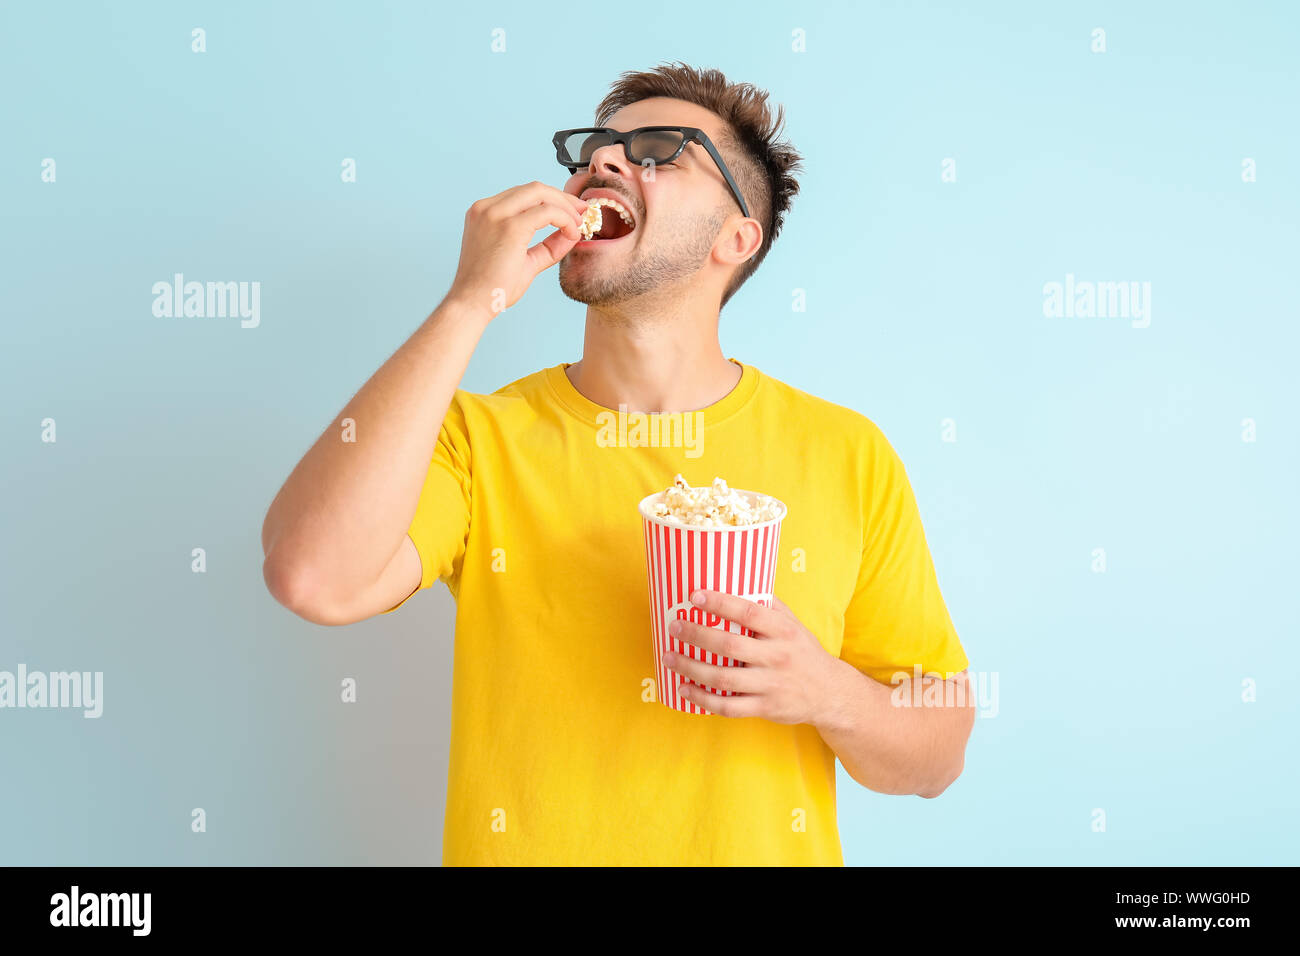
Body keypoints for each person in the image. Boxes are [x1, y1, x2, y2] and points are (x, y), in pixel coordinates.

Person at [261, 62, 973, 865]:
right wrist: (470, 302)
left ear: (736, 238)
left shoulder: (847, 452)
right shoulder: (478, 438)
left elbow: (938, 752)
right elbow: (312, 576)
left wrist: (824, 691)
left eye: (661, 150)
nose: (603, 162)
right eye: (597, 148)